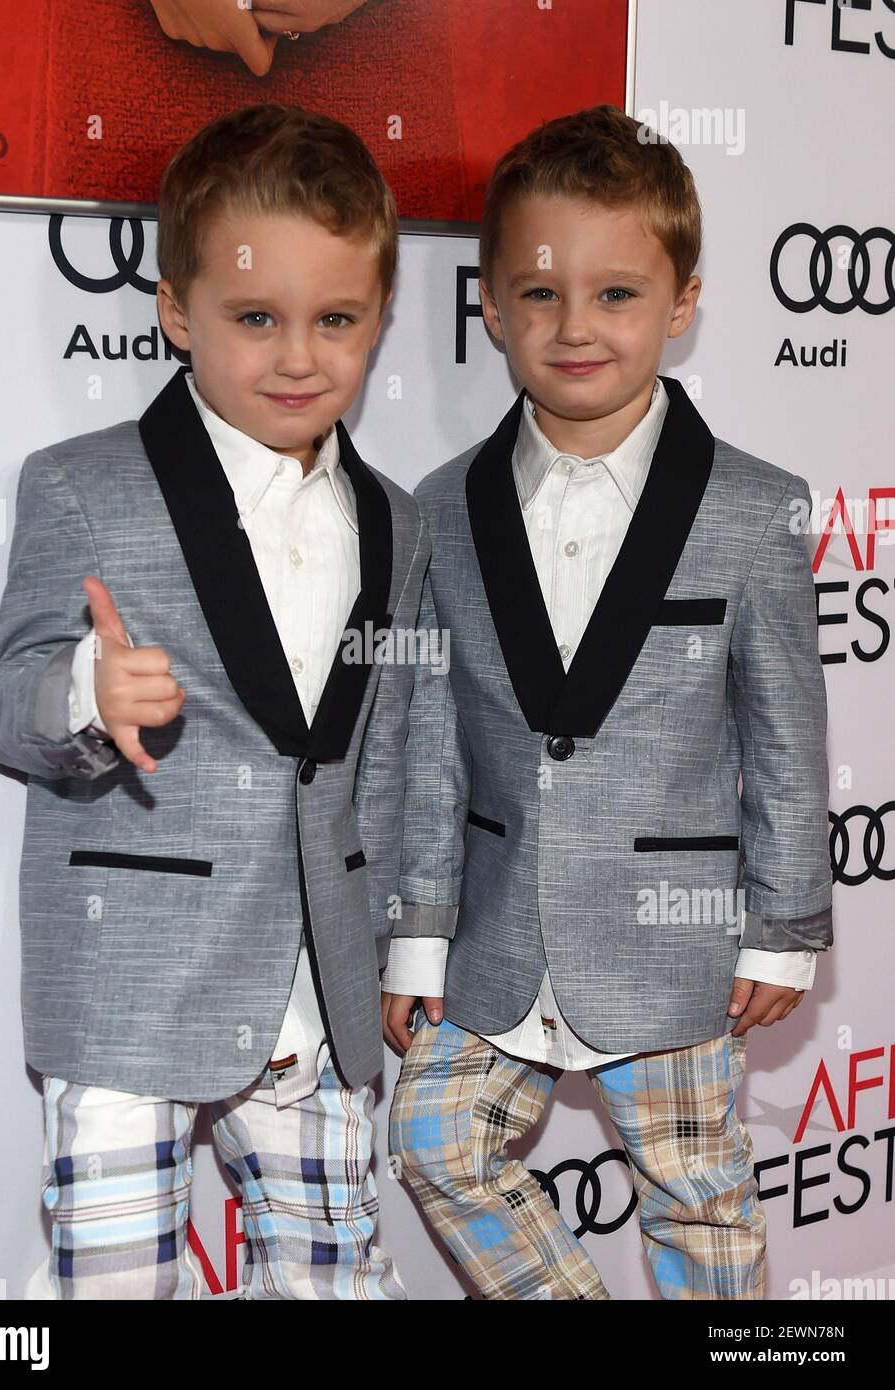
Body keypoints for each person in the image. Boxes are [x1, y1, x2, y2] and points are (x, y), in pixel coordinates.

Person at [0, 102, 426, 1300]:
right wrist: (84, 687)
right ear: (176, 311)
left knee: (340, 1284)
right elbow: (6, 703)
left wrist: (405, 939)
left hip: (318, 1001)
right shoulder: (80, 487)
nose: (298, 356)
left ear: (380, 318)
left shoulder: (397, 519)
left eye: (336, 320)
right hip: (130, 987)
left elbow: (388, 754)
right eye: (255, 318)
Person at [382, 104, 832, 1301]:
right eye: (538, 293)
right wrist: (418, 929)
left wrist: (783, 925)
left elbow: (785, 738)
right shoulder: (440, 505)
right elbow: (431, 743)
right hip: (494, 937)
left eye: (618, 294)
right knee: (433, 1140)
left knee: (702, 1199)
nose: (574, 326)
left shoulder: (753, 506)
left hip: (674, 939)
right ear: (486, 304)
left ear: (682, 302)